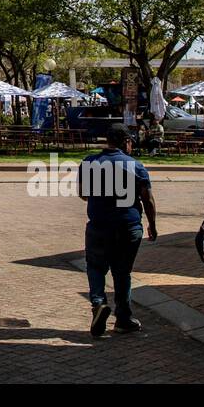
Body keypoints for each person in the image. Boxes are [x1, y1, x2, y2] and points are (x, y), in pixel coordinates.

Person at [79, 124, 156, 336]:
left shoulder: (89, 163)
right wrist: (153, 225)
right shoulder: (136, 166)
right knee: (122, 272)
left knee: (95, 267)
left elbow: (83, 194)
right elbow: (147, 200)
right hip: (128, 226)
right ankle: (123, 318)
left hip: (98, 225)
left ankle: (98, 303)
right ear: (126, 142)